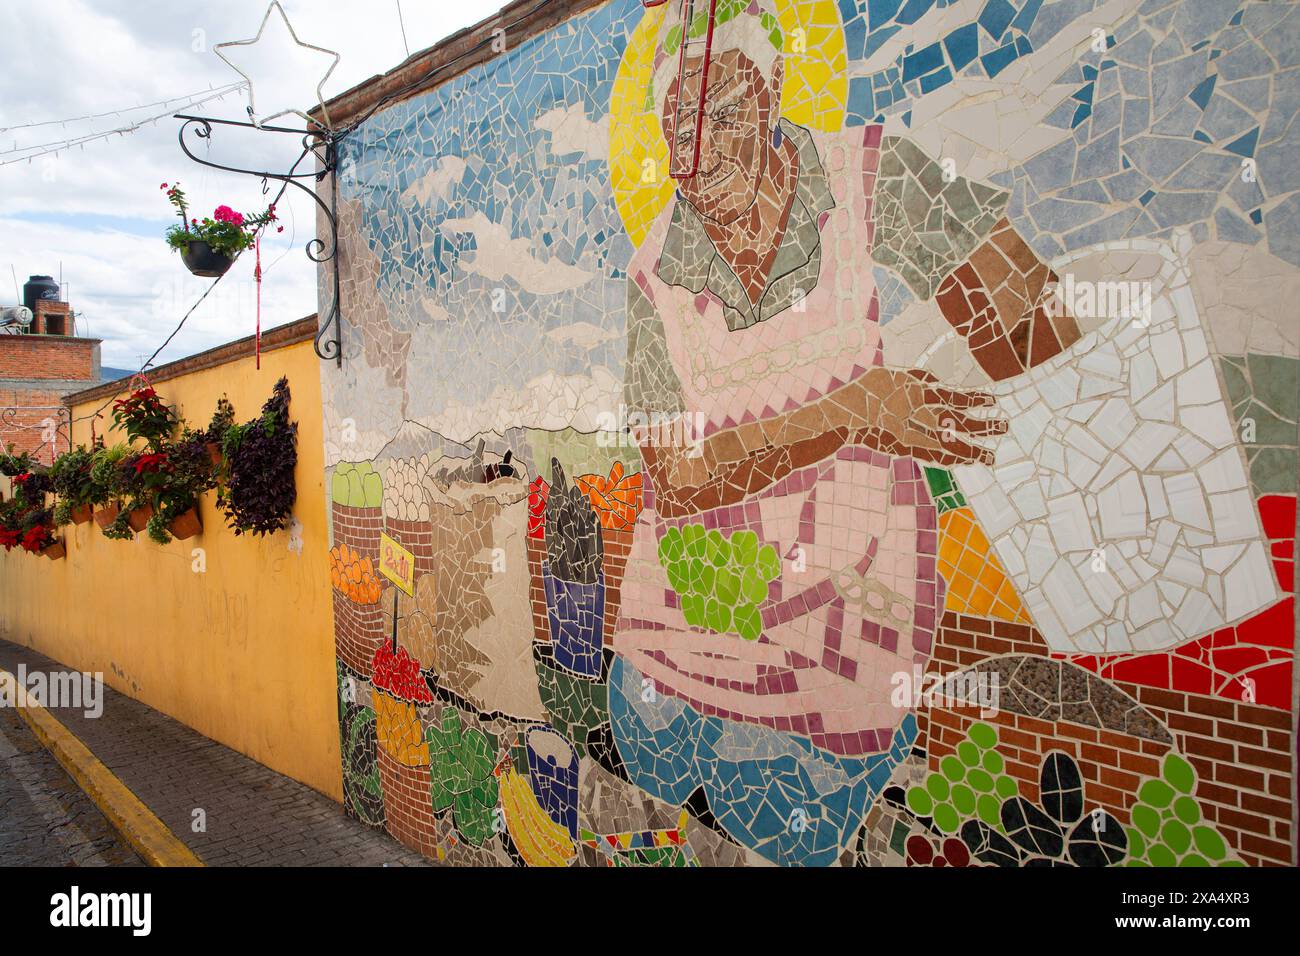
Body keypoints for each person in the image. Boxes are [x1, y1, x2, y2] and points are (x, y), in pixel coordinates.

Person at [606, 0, 1013, 864]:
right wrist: (849, 411)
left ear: (777, 92)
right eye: (678, 124)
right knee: (655, 839)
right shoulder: (653, 277)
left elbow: (1022, 311)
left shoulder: (871, 181)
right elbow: (677, 478)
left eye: (723, 112)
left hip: (838, 655)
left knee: (786, 834)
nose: (698, 151)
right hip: (668, 652)